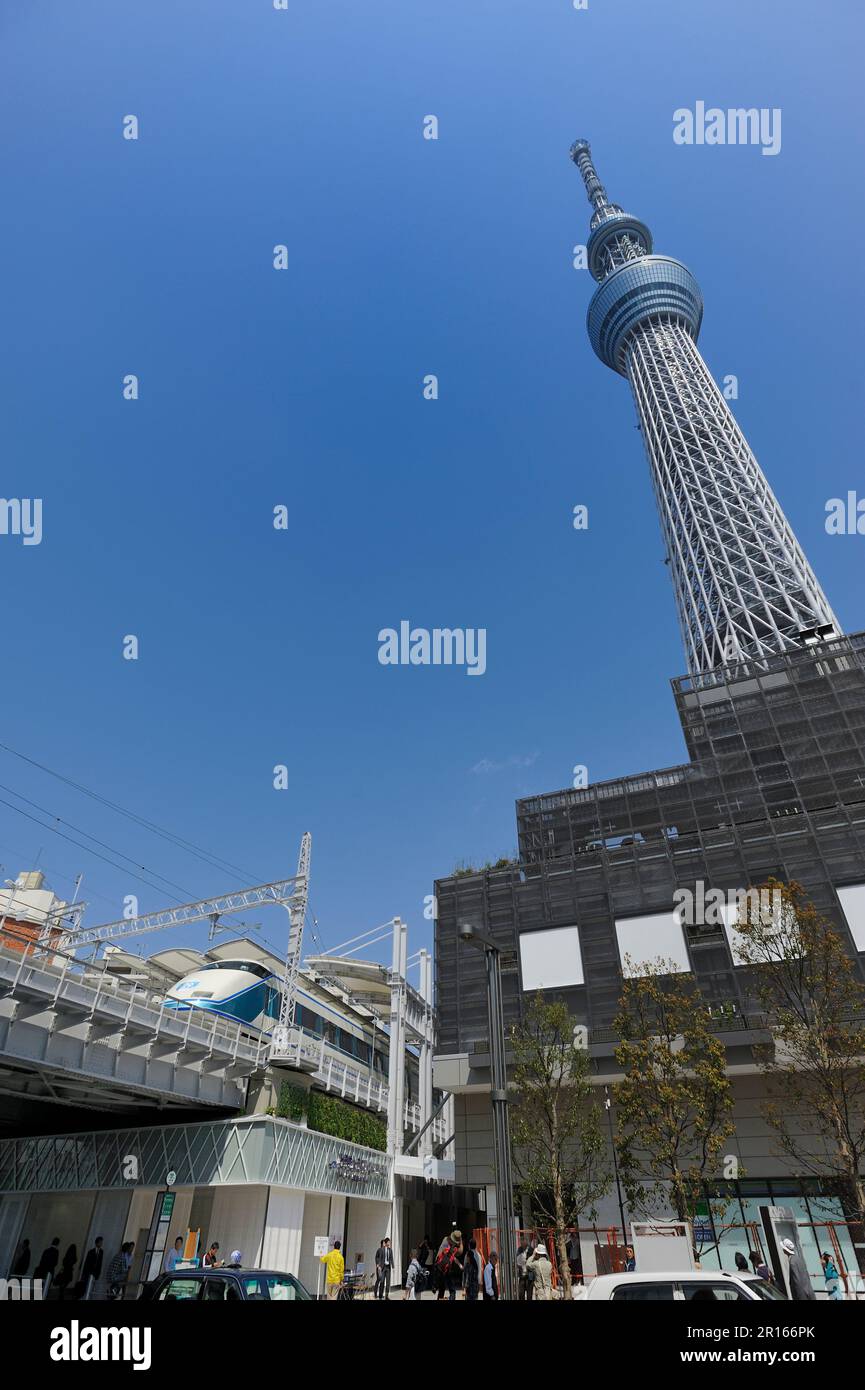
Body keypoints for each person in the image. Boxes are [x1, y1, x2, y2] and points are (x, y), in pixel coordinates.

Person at [435, 1229, 464, 1301]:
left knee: (442, 1289)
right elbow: (460, 1252)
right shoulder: (453, 1246)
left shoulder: (445, 1239)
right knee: (452, 1290)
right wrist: (461, 1241)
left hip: (439, 1266)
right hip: (447, 1269)